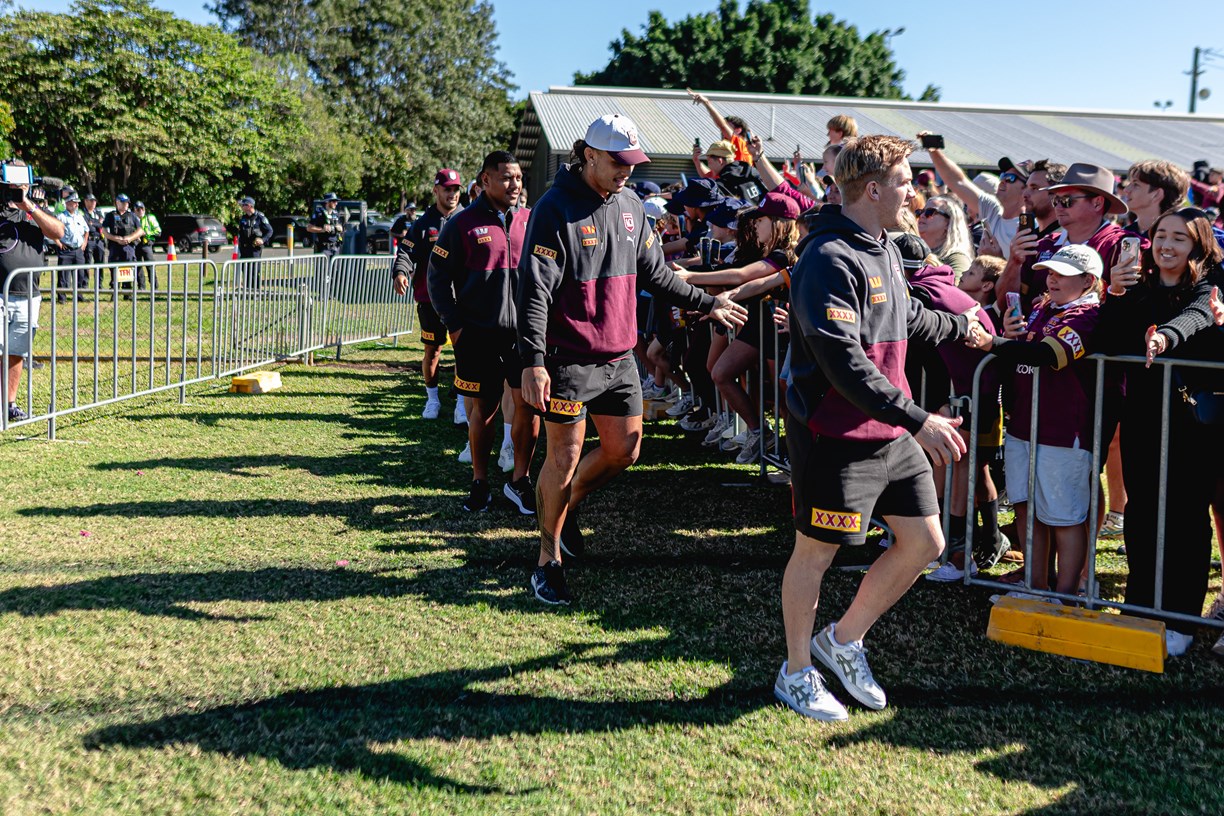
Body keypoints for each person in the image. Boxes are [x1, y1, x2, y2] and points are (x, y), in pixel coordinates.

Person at [776, 135, 983, 721]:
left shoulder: (885, 247)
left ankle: (841, 642)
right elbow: (844, 360)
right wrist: (919, 419)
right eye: (904, 181)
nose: (913, 192)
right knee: (815, 554)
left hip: (890, 433)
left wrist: (959, 328)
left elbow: (907, 314)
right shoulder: (827, 257)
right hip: (836, 437)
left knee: (925, 542)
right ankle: (795, 672)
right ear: (872, 189)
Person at [517, 113, 747, 605]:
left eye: (632, 162)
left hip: (619, 357)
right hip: (567, 359)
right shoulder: (554, 207)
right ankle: (547, 560)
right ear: (590, 155)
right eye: (618, 162)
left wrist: (710, 303)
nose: (627, 170)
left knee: (626, 449)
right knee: (563, 456)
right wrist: (533, 360)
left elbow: (656, 273)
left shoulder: (631, 205)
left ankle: (565, 504)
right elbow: (534, 290)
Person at [1096, 209, 1223, 656]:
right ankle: (1140, 606)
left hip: (1193, 423)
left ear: (1198, 247)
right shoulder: (1139, 289)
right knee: (1143, 513)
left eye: (1180, 239)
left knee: (1186, 519)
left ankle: (1182, 618)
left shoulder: (1209, 289)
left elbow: (1194, 319)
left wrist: (1162, 339)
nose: (1167, 245)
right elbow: (1108, 340)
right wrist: (1113, 291)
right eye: (1161, 236)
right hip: (1143, 417)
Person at [970, 245, 1105, 599]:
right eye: (1050, 272)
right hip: (1023, 427)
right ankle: (1035, 585)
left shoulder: (1088, 315)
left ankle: (1064, 594)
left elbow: (1048, 355)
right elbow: (1026, 349)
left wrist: (993, 343)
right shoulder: (1044, 306)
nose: (1052, 279)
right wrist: (1010, 335)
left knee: (1064, 517)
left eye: (1062, 274)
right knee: (1026, 509)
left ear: (1089, 281)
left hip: (1063, 433)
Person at [427, 150, 539, 514]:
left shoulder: (530, 220)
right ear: (485, 181)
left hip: (524, 337)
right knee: (485, 411)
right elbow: (437, 279)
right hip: (477, 337)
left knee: (527, 407)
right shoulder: (460, 224)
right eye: (506, 177)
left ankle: (519, 481)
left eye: (518, 178)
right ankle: (479, 482)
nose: (514, 184)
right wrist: (456, 328)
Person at [392, 169, 464, 422]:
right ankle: (432, 399)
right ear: (436, 191)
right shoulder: (423, 225)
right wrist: (401, 272)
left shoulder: (468, 219)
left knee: (463, 350)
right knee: (432, 351)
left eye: (456, 189)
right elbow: (406, 253)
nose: (452, 194)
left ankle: (462, 403)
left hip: (462, 300)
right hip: (429, 300)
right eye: (447, 189)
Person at [2, 161, 66, 422]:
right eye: (13, 183)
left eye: (23, 183)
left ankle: (8, 404)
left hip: (28, 294)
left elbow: (59, 232)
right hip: (1, 294)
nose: (19, 188)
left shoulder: (34, 211)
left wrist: (28, 205)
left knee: (17, 352)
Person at [923, 135, 1027, 258]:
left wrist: (995, 259)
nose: (1003, 181)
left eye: (1010, 178)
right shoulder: (992, 209)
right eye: (1003, 176)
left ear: (1026, 189)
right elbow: (958, 181)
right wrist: (934, 150)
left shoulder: (1028, 228)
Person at [685, 88, 753, 163]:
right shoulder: (725, 153)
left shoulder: (741, 146)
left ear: (738, 130)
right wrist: (696, 160)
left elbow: (722, 126)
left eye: (728, 127)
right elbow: (708, 174)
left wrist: (706, 102)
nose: (722, 131)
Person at [916, 195, 974, 276]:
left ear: (949, 222)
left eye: (929, 212)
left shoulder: (957, 259)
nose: (921, 216)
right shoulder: (915, 251)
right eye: (920, 212)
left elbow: (958, 288)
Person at [100, 193, 142, 291]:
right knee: (114, 269)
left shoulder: (132, 215)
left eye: (127, 203)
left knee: (128, 268)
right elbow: (104, 231)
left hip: (129, 246)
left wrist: (130, 238)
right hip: (115, 246)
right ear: (117, 203)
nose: (126, 205)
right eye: (123, 203)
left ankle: (127, 290)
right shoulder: (110, 215)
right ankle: (114, 290)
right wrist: (116, 239)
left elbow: (140, 230)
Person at [54, 192, 89, 303]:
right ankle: (62, 297)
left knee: (80, 274)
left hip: (78, 250)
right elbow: (53, 231)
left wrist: (84, 243)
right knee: (63, 275)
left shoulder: (79, 216)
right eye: (74, 203)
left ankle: (79, 295)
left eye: (77, 203)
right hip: (66, 250)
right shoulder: (61, 216)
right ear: (68, 203)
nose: (77, 205)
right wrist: (58, 243)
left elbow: (86, 230)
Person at [308, 192, 345, 260]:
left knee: (335, 270)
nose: (336, 203)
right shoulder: (319, 213)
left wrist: (339, 228)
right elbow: (309, 228)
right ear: (327, 202)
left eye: (336, 201)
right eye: (334, 201)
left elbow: (341, 227)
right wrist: (322, 230)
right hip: (324, 248)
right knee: (323, 270)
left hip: (335, 247)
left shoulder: (336, 214)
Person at [236, 196, 273, 261]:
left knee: (254, 269)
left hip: (254, 249)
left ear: (249, 206)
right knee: (244, 269)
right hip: (244, 249)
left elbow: (270, 231)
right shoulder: (243, 218)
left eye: (243, 205)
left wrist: (262, 240)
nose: (241, 207)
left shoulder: (260, 217)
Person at [133, 202, 160, 290]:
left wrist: (147, 234)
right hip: (136, 244)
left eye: (142, 209)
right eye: (138, 209)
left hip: (146, 244)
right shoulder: (132, 219)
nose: (140, 211)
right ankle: (141, 286)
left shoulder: (150, 218)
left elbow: (158, 231)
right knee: (138, 266)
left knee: (150, 265)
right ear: (135, 210)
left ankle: (154, 287)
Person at [81, 193, 105, 266]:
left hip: (99, 240)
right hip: (89, 240)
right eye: (91, 201)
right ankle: (85, 277)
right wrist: (97, 222)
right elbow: (88, 227)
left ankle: (99, 277)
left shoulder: (98, 212)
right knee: (87, 262)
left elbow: (102, 225)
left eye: (94, 201)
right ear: (86, 201)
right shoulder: (83, 213)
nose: (94, 203)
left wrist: (93, 223)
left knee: (100, 263)